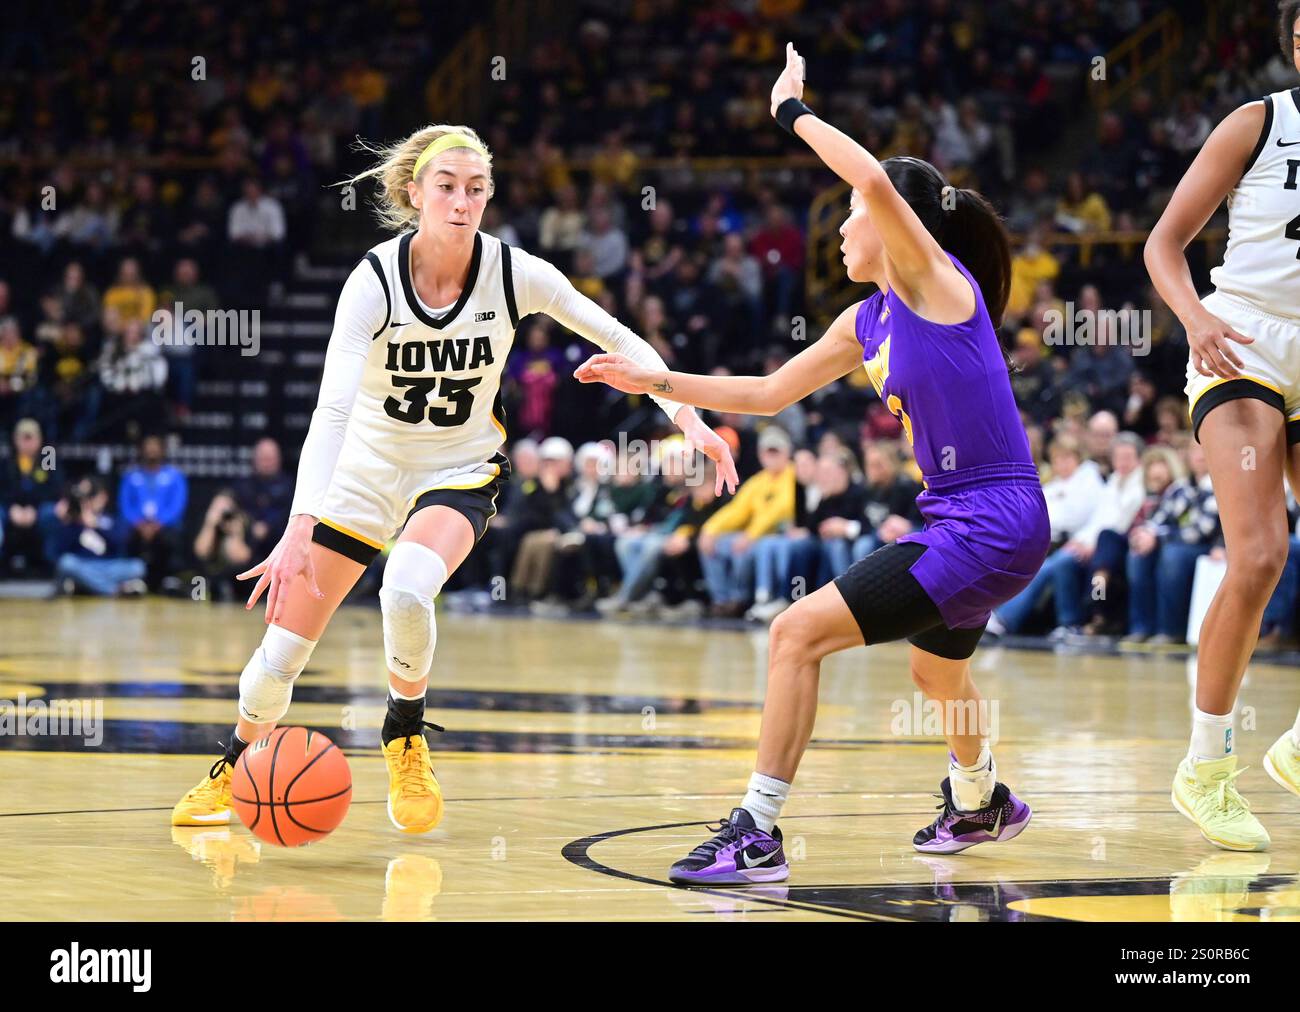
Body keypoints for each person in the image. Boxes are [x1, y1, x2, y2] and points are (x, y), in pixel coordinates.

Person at [171, 124, 737, 835]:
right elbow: (333, 409)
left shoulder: (514, 273)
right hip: (365, 472)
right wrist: (299, 524)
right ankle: (236, 762)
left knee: (406, 587)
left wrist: (690, 420)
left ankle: (404, 734)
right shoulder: (373, 280)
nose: (462, 201)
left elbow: (619, 337)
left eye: (476, 189)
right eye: (447, 187)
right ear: (415, 194)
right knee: (279, 658)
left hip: (459, 467)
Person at [576, 44, 1049, 884]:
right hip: (971, 523)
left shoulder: (941, 286)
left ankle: (755, 832)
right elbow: (765, 393)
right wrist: (660, 381)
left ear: (896, 222)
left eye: (850, 215)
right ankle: (979, 798)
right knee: (935, 672)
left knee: (794, 632)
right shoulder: (865, 321)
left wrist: (790, 109)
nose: (837, 227)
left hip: (991, 517)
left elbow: (869, 178)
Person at [1143, 1, 1300, 851]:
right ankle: (1206, 768)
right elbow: (1164, 243)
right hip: (1243, 339)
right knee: (1262, 554)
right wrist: (1194, 318)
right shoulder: (1258, 121)